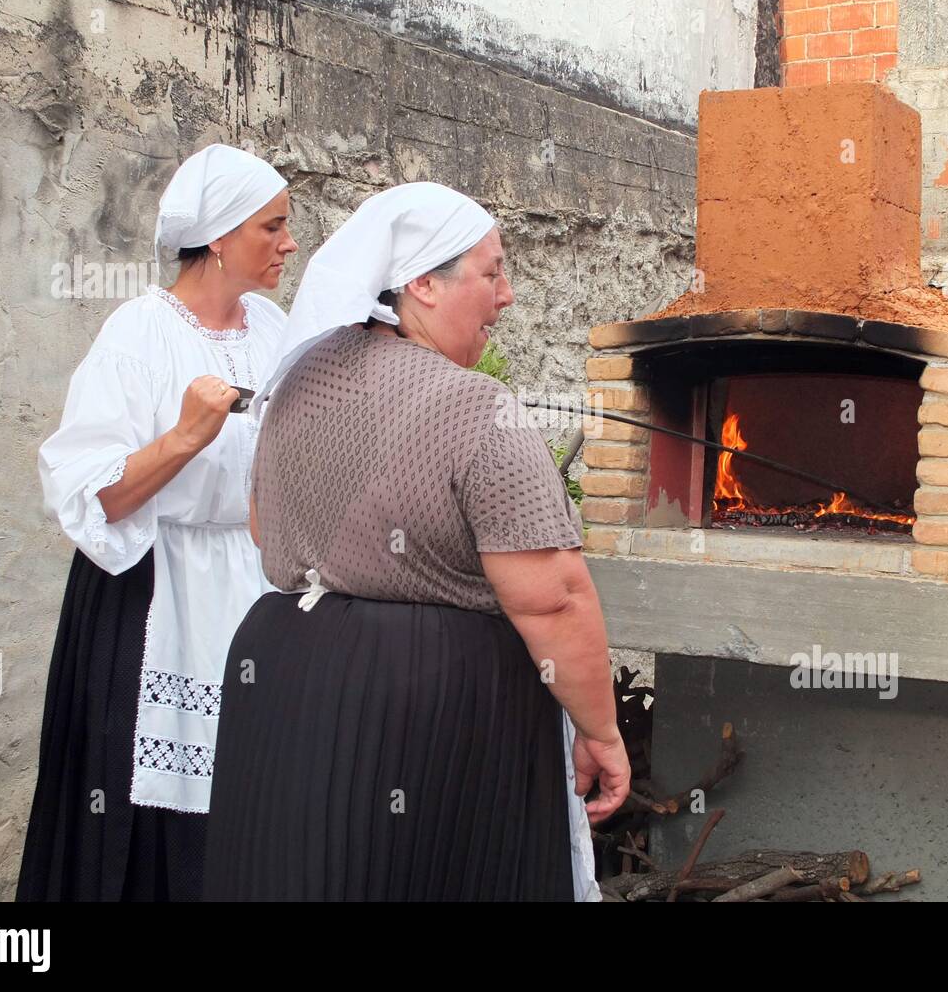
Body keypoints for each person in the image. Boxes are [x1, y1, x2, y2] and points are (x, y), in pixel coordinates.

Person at [203, 181, 629, 901]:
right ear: (424, 283)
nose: (509, 294)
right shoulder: (476, 408)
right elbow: (554, 600)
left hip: (281, 681)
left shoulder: (296, 380)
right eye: (492, 272)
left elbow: (259, 524)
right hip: (427, 709)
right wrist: (601, 731)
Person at [16, 144, 299, 901]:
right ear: (218, 237)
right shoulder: (137, 334)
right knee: (145, 811)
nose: (288, 242)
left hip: (254, 589)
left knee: (256, 799)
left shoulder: (276, 331)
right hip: (150, 597)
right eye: (271, 226)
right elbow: (86, 493)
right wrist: (182, 439)